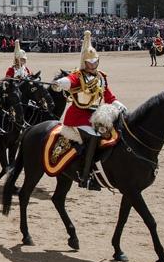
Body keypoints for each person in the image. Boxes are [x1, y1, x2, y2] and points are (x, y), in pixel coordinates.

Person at [52, 31, 126, 191]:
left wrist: (117, 103)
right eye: (90, 63)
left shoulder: (101, 77)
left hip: (95, 115)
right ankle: (85, 176)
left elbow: (108, 95)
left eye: (95, 62)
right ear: (85, 63)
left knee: (113, 133)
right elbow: (69, 81)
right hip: (78, 116)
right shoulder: (77, 76)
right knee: (93, 137)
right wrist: (60, 83)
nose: (93, 65)